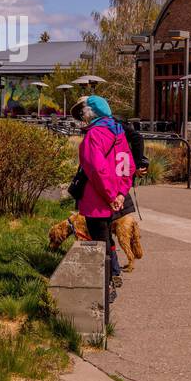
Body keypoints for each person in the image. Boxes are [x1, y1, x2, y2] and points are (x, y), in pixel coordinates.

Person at [77, 95, 133, 300]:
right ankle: (111, 277)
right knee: (107, 241)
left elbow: (97, 169)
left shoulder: (95, 134)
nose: (82, 113)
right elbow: (128, 165)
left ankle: (106, 286)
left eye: (84, 110)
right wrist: (120, 193)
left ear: (92, 112)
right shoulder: (119, 132)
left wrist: (110, 196)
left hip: (97, 201)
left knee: (99, 245)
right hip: (114, 199)